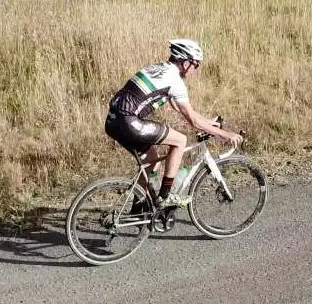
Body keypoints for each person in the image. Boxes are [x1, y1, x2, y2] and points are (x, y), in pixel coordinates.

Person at [104, 38, 244, 208]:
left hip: (113, 120)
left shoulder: (157, 68)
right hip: (129, 121)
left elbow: (180, 108)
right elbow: (192, 119)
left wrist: (208, 123)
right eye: (196, 65)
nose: (196, 70)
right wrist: (225, 135)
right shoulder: (175, 80)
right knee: (180, 140)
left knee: (152, 159)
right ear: (186, 63)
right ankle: (165, 196)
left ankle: (139, 206)